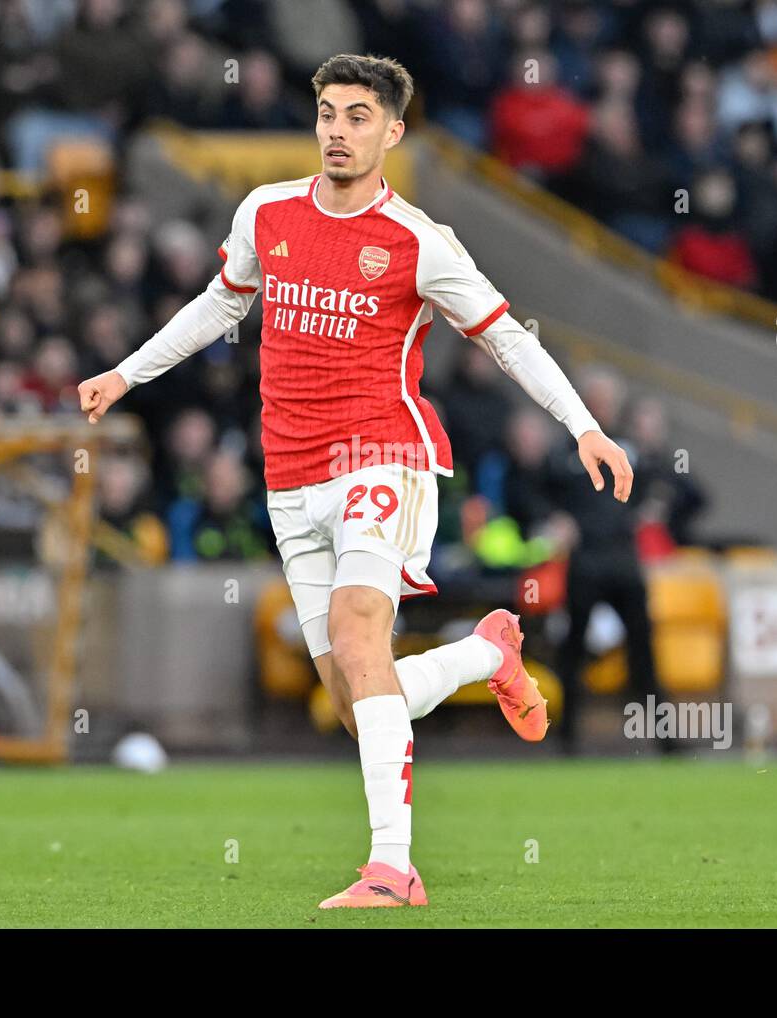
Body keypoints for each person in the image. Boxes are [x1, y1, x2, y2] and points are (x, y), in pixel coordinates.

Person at [77, 54, 632, 910]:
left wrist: (584, 427)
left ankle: (392, 867)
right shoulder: (267, 212)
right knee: (354, 697)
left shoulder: (418, 241)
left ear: (392, 132)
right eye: (329, 114)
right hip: (290, 483)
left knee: (358, 635)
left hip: (385, 459)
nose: (338, 130)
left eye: (358, 117)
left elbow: (506, 338)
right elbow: (220, 303)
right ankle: (488, 651)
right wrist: (125, 375)